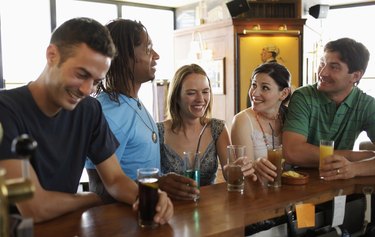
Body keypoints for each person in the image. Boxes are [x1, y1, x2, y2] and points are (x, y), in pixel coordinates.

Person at [0, 17, 173, 224]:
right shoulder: (6, 110)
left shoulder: (89, 110)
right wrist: (89, 199)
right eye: (81, 74)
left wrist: (146, 196)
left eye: (96, 81)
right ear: (52, 55)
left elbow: (115, 180)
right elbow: (34, 207)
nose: (86, 90)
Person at [84, 19, 198, 201]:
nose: (156, 55)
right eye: (148, 49)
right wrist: (155, 185)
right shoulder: (108, 113)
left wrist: (160, 183)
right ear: (124, 56)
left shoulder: (133, 101)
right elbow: (99, 188)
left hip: (148, 212)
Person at [283, 37, 375, 180]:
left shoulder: (367, 105)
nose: (322, 73)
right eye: (322, 64)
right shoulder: (303, 96)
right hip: (300, 181)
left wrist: (354, 168)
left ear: (356, 76)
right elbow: (292, 151)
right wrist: (354, 156)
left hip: (341, 185)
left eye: (334, 67)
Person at [157, 63, 256, 192]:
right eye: (191, 93)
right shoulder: (159, 131)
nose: (201, 99)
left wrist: (238, 169)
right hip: (171, 207)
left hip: (208, 208)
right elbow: (148, 177)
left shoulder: (217, 128)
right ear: (176, 97)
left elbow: (230, 176)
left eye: (205, 92)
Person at [231, 62, 291, 183]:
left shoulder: (290, 117)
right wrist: (254, 165)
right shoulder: (242, 120)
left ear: (284, 93)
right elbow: (245, 176)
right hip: (256, 195)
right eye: (254, 85)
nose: (254, 93)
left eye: (265, 88)